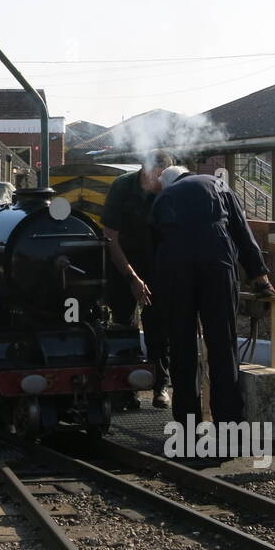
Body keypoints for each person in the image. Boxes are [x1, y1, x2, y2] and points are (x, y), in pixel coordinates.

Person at [147, 161, 274, 428]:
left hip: (175, 271)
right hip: (217, 266)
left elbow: (154, 249)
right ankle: (229, 424)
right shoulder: (217, 184)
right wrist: (259, 278)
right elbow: (242, 232)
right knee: (222, 344)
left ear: (169, 183)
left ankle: (187, 427)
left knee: (182, 347)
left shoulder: (163, 199)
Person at [101, 153, 172, 408]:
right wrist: (131, 277)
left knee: (159, 327)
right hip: (122, 263)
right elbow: (110, 236)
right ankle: (124, 388)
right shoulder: (122, 187)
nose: (162, 182)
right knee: (122, 325)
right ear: (146, 172)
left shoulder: (169, 190)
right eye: (158, 176)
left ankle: (160, 385)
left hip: (157, 264)